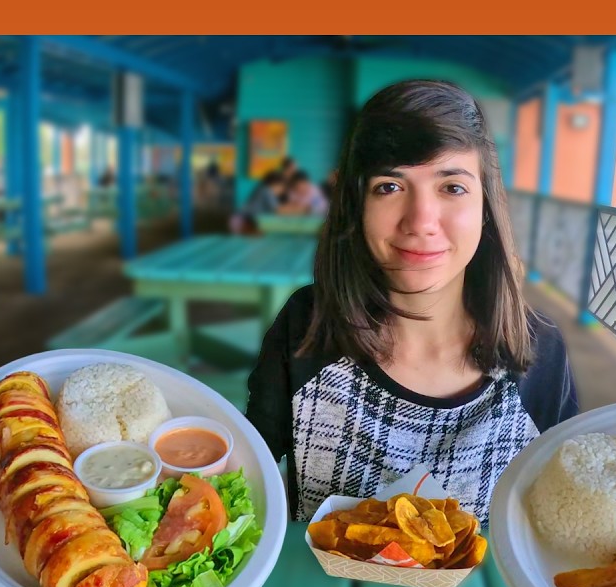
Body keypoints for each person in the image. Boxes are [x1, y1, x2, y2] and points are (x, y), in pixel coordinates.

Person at [245, 80, 578, 522]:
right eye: (389, 187)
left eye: (452, 187)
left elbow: (557, 510)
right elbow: (245, 481)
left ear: (484, 205)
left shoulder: (541, 351)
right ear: (355, 204)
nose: (421, 222)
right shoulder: (308, 325)